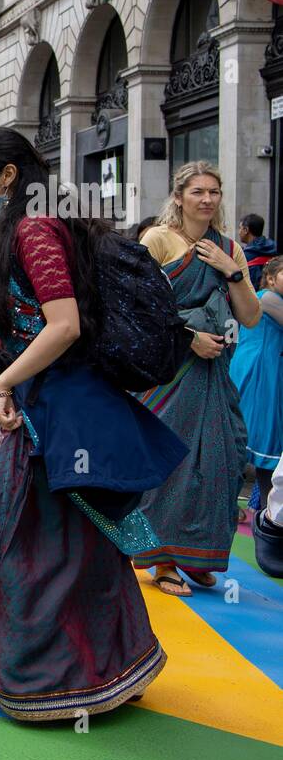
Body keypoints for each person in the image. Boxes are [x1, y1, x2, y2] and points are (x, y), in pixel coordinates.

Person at [0, 127, 186, 720]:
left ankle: (53, 681)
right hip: (49, 410)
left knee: (34, 547)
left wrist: (2, 381)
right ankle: (100, 672)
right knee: (66, 547)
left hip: (60, 415)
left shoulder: (36, 229)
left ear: (9, 176)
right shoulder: (27, 229)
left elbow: (63, 324)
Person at [135, 162, 262, 594]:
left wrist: (233, 270)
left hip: (215, 373)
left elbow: (250, 316)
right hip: (170, 371)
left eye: (214, 192)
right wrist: (188, 337)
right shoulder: (157, 239)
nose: (207, 199)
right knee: (172, 462)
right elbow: (139, 309)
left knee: (221, 461)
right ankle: (162, 559)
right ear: (179, 197)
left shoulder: (229, 247)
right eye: (197, 192)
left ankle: (196, 553)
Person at [230, 255, 283, 508]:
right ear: (271, 278)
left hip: (266, 373)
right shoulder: (267, 298)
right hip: (260, 375)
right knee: (260, 447)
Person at [238, 212, 276, 289]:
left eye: (240, 228)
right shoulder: (274, 249)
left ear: (246, 230)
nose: (239, 232)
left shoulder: (245, 256)